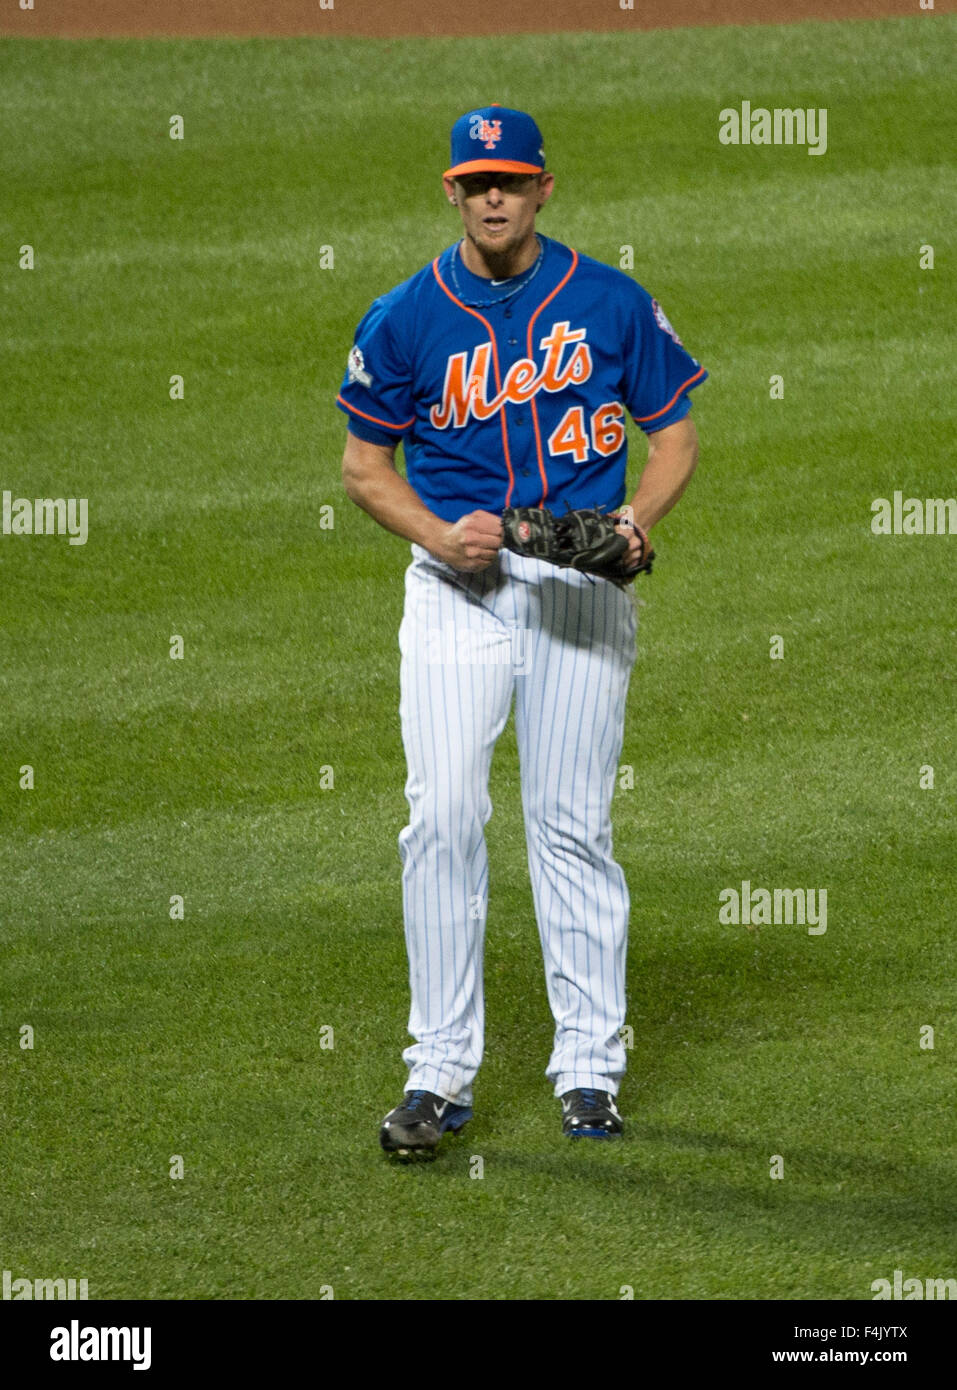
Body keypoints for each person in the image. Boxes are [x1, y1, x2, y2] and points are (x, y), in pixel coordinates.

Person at [337, 106, 707, 1156]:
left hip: (579, 594)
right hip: (452, 594)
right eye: (474, 180)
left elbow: (673, 434)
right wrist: (436, 534)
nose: (492, 195)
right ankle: (439, 1069)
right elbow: (365, 469)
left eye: (511, 178)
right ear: (450, 192)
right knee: (444, 815)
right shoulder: (404, 317)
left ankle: (589, 1067)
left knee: (570, 823)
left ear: (545, 187)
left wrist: (635, 520)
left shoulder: (610, 301)